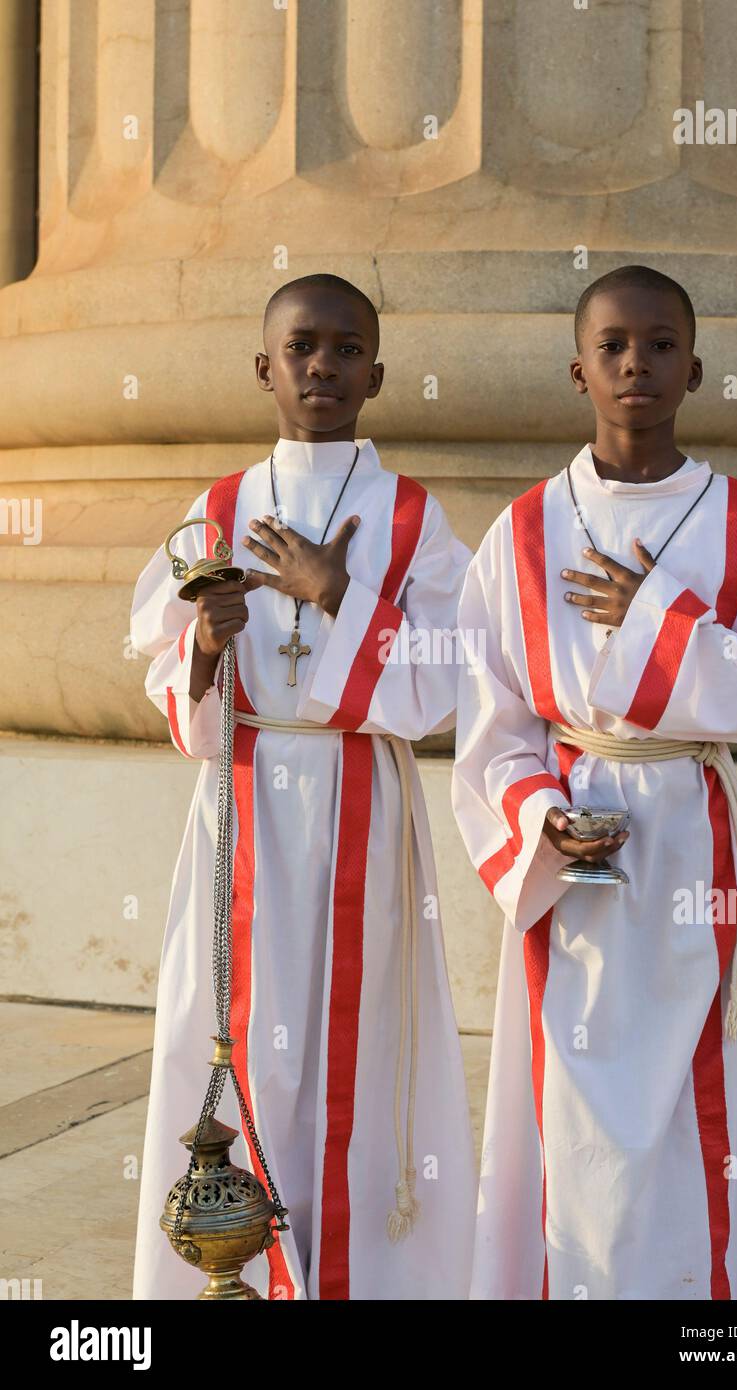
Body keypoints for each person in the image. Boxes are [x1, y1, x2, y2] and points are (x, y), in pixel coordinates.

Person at [451, 264, 737, 1300]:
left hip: (692, 838)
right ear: (578, 371)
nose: (637, 364)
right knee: (581, 1117)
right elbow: (492, 724)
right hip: (576, 857)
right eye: (614, 345)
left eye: (661, 345)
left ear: (696, 369)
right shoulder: (521, 532)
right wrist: (539, 817)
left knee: (700, 1102)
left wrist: (658, 616)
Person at [130, 273, 476, 1300]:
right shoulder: (221, 508)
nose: (322, 364)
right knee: (232, 1031)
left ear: (377, 371)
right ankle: (229, 1270)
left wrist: (339, 596)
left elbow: (451, 676)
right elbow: (161, 663)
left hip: (362, 803)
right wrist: (202, 645)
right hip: (245, 805)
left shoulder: (413, 517)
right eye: (301, 347)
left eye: (344, 347)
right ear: (264, 368)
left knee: (359, 1051)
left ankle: (364, 1276)